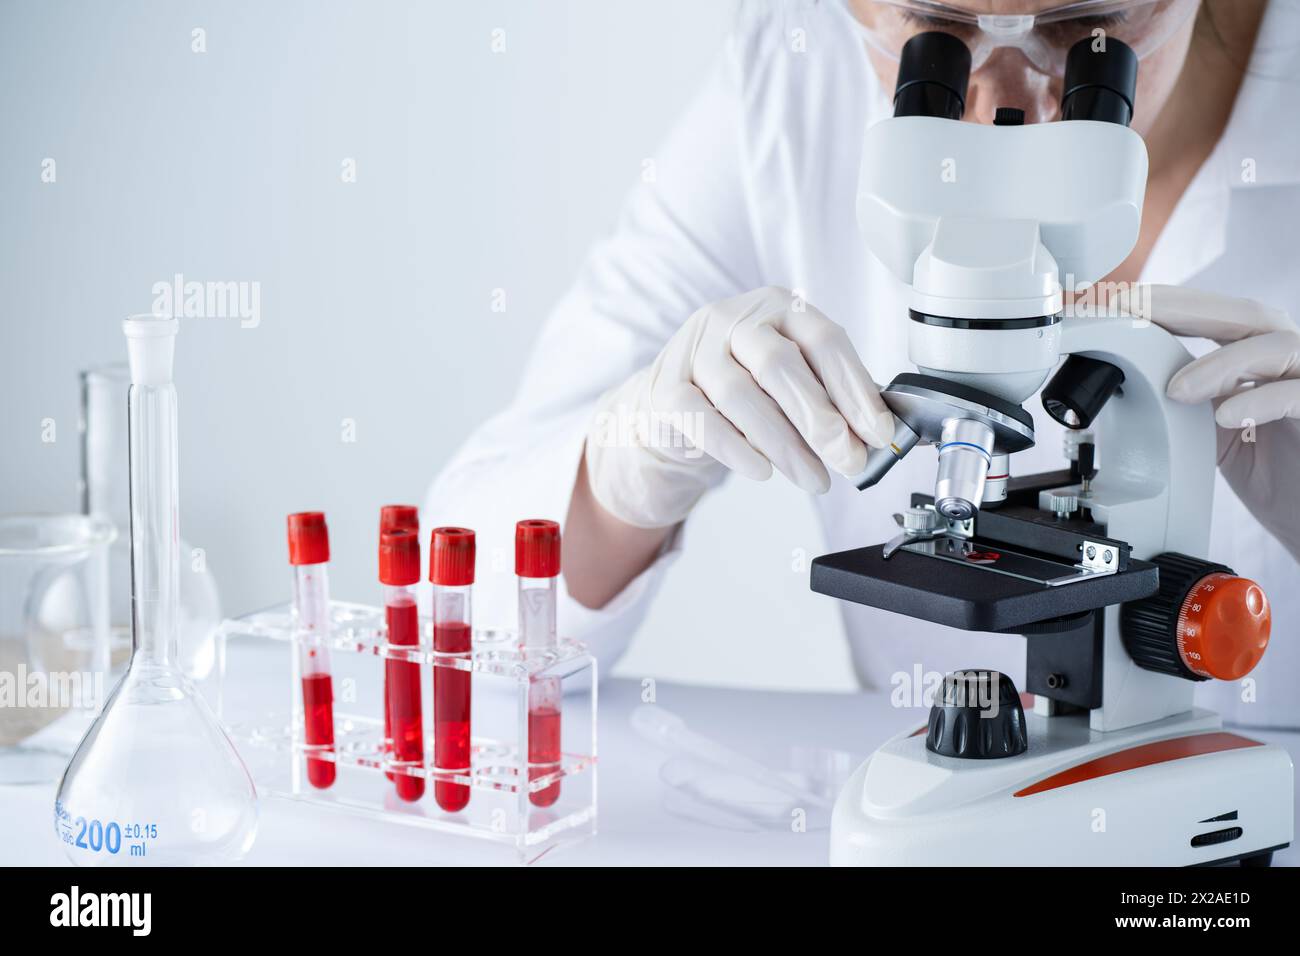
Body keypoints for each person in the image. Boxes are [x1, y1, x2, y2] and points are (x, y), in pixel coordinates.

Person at [426, 0, 1300, 727]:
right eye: (935, 32)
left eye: (1087, 32)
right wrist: (623, 474)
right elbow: (465, 641)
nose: (1005, 105)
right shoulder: (794, 76)